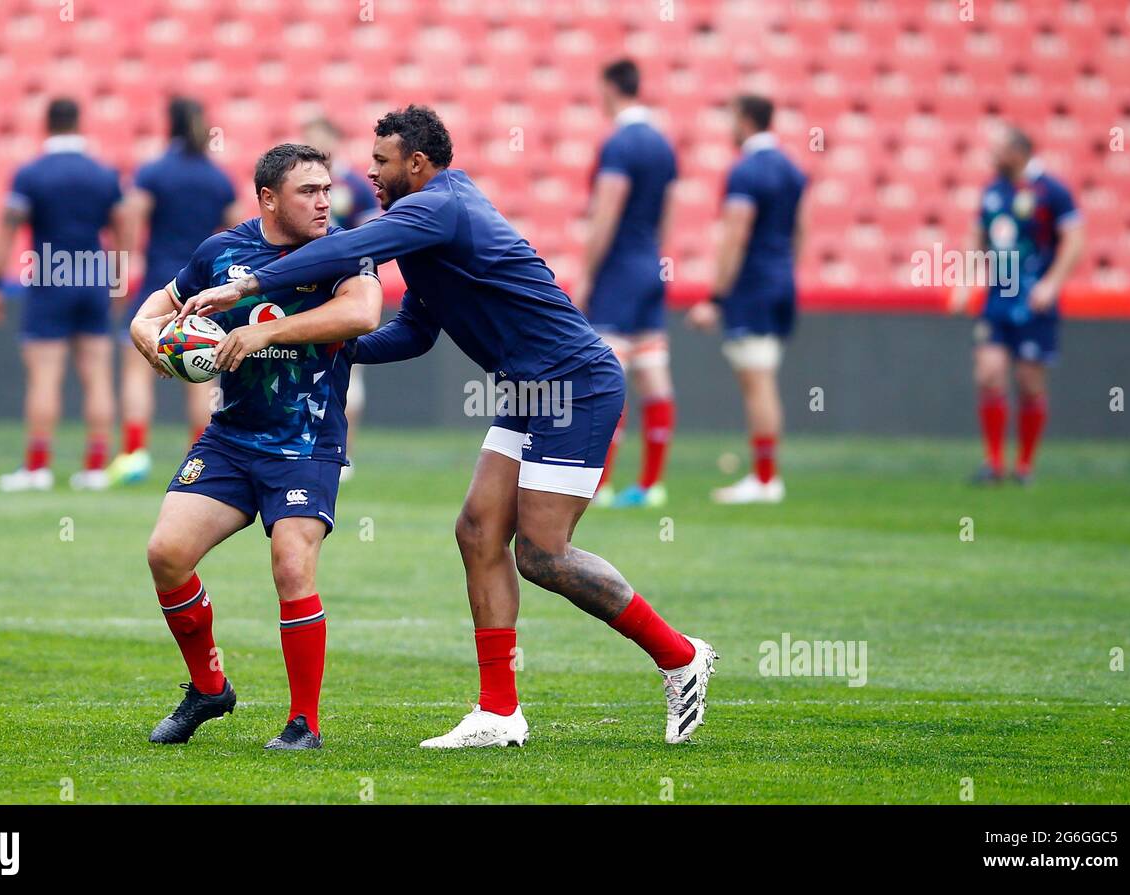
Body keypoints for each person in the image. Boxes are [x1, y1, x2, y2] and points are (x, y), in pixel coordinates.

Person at [180, 106, 717, 748]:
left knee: (542, 555)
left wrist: (250, 290)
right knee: (476, 532)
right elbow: (414, 331)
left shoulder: (438, 207)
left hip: (575, 386)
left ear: (417, 163)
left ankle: (681, 657)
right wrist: (318, 345)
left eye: (380, 162)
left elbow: (349, 248)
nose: (368, 174)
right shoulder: (426, 229)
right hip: (528, 389)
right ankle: (499, 713)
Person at [130, 144, 383, 750]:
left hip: (307, 440)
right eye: (307, 191)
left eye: (326, 189)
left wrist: (263, 329)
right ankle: (209, 689)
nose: (325, 201)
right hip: (232, 437)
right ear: (268, 198)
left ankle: (304, 724)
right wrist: (144, 330)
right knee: (166, 553)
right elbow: (158, 306)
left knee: (292, 564)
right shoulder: (220, 251)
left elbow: (365, 313)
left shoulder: (343, 249)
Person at [0, 98, 126, 491]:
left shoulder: (31, 174)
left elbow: (7, 229)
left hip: (49, 276)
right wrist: (120, 278)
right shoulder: (103, 174)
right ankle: (96, 468)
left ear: (47, 125)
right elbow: (122, 227)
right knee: (97, 375)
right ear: (79, 123)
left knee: (45, 376)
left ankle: (38, 468)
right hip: (95, 277)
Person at [109, 98, 238, 486]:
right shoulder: (218, 178)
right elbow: (233, 231)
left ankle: (134, 454)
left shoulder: (154, 172)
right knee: (203, 369)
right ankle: (198, 457)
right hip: (206, 286)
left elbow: (132, 218)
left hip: (163, 283)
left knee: (137, 366)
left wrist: (124, 265)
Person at [687, 94, 807, 505]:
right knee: (763, 376)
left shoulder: (745, 171)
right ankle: (765, 474)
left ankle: (765, 478)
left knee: (757, 382)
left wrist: (716, 297)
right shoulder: (793, 169)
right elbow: (800, 230)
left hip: (753, 287)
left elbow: (735, 233)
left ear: (744, 120)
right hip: (781, 281)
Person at [950, 125, 1084, 484]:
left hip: (1034, 300)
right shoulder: (993, 191)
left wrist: (1052, 284)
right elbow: (977, 236)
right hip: (999, 298)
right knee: (988, 373)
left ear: (1019, 152)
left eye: (998, 149)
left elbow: (1074, 239)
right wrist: (964, 284)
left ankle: (1024, 466)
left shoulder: (1052, 191)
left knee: (1029, 381)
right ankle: (993, 463)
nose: (992, 156)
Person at [572, 59, 679, 509]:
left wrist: (587, 275)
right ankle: (651, 485)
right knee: (654, 376)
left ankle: (601, 485)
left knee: (607, 378)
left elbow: (606, 213)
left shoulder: (619, 145)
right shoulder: (663, 144)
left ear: (611, 88)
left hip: (618, 272)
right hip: (650, 265)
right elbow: (667, 214)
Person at [302, 116, 382, 482]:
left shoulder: (355, 185)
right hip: (304, 284)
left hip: (342, 285)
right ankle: (304, 441)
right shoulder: (296, 185)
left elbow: (372, 236)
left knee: (347, 370)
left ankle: (344, 450)